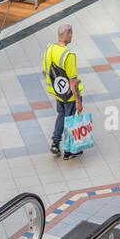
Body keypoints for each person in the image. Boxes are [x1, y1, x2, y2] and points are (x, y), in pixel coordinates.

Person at [42, 24, 84, 159]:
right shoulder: (69, 55)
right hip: (69, 96)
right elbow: (73, 81)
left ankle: (55, 142)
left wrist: (57, 87)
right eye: (71, 33)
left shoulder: (49, 49)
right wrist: (78, 101)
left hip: (57, 93)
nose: (72, 36)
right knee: (70, 120)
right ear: (66, 34)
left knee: (61, 115)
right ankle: (69, 151)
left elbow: (45, 71)